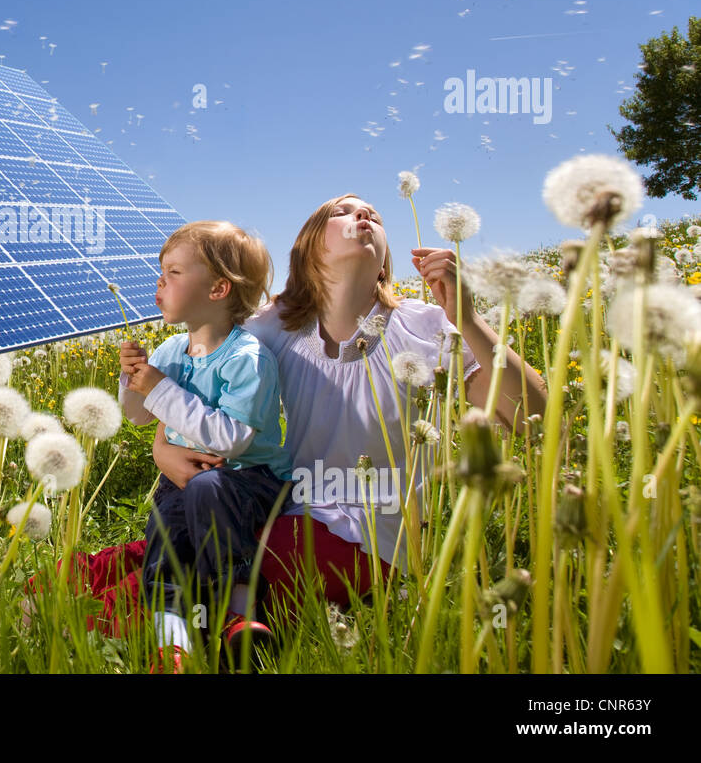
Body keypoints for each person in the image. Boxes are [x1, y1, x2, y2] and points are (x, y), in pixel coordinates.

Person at [58, 192, 548, 658]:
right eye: (345, 211)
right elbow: (202, 380)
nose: (365, 217)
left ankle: (157, 638)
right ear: (310, 247)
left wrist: (465, 316)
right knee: (184, 553)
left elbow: (536, 419)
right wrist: (162, 447)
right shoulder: (275, 327)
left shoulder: (424, 327)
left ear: (384, 259)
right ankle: (95, 605)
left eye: (374, 215)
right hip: (276, 504)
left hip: (372, 527)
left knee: (190, 576)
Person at [118, 220, 290, 671]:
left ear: (217, 289)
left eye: (174, 272)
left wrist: (159, 388)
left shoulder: (247, 358)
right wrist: (132, 379)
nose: (159, 282)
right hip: (182, 481)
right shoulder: (171, 352)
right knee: (167, 529)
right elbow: (139, 417)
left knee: (209, 490)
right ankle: (171, 638)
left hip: (249, 482)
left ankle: (240, 611)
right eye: (161, 272)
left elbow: (231, 441)